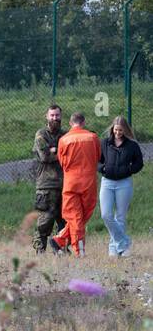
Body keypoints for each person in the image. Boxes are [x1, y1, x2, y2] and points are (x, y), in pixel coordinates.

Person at [52, 112, 101, 257]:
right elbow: (97, 157)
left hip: (71, 183)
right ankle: (79, 250)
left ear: (70, 123)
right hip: (89, 183)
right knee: (81, 218)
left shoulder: (64, 140)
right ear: (84, 122)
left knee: (75, 219)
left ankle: (60, 240)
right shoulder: (93, 137)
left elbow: (61, 162)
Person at [98, 115, 143, 257]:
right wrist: (102, 169)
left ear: (125, 130)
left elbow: (139, 163)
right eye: (116, 130)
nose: (118, 133)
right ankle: (124, 243)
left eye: (121, 130)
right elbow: (97, 161)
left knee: (120, 217)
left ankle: (115, 249)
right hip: (107, 182)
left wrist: (128, 170)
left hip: (124, 183)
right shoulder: (104, 143)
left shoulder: (132, 145)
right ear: (112, 129)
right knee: (106, 215)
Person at [31, 103, 66, 253]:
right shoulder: (41, 135)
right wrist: (61, 152)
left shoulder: (66, 135)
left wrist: (54, 150)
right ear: (47, 116)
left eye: (57, 115)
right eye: (52, 115)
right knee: (45, 219)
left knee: (64, 219)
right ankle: (40, 249)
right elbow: (45, 156)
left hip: (65, 183)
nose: (55, 118)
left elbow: (71, 155)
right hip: (46, 185)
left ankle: (61, 248)